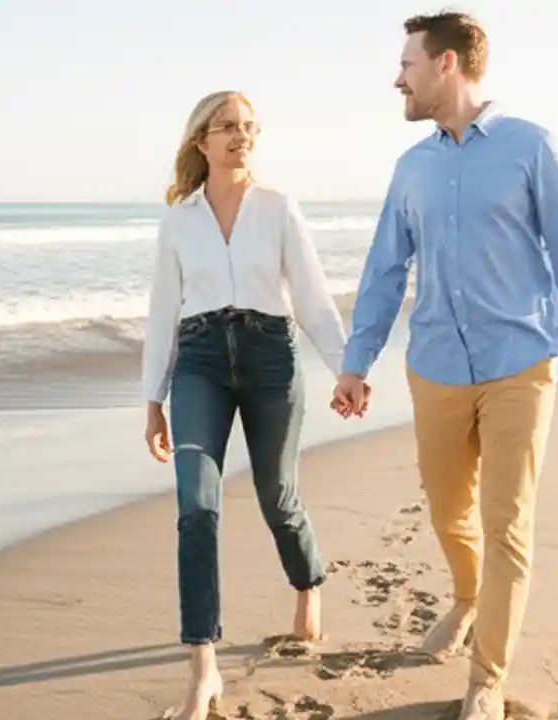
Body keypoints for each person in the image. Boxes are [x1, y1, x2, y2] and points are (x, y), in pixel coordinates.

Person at [332, 12, 558, 719]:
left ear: (447, 64)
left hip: (522, 362)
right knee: (450, 513)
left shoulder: (530, 147)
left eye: (408, 64)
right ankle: (465, 597)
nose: (399, 77)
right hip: (435, 367)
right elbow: (384, 271)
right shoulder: (411, 167)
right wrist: (357, 361)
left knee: (507, 522)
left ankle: (487, 679)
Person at [142, 90, 350, 720]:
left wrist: (349, 370)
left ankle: (308, 585)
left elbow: (311, 298)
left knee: (276, 496)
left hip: (269, 358)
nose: (241, 136)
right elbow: (161, 314)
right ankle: (203, 666)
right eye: (227, 126)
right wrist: (153, 398)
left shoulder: (278, 208)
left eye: (249, 127)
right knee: (195, 508)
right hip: (201, 363)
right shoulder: (178, 220)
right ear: (200, 140)